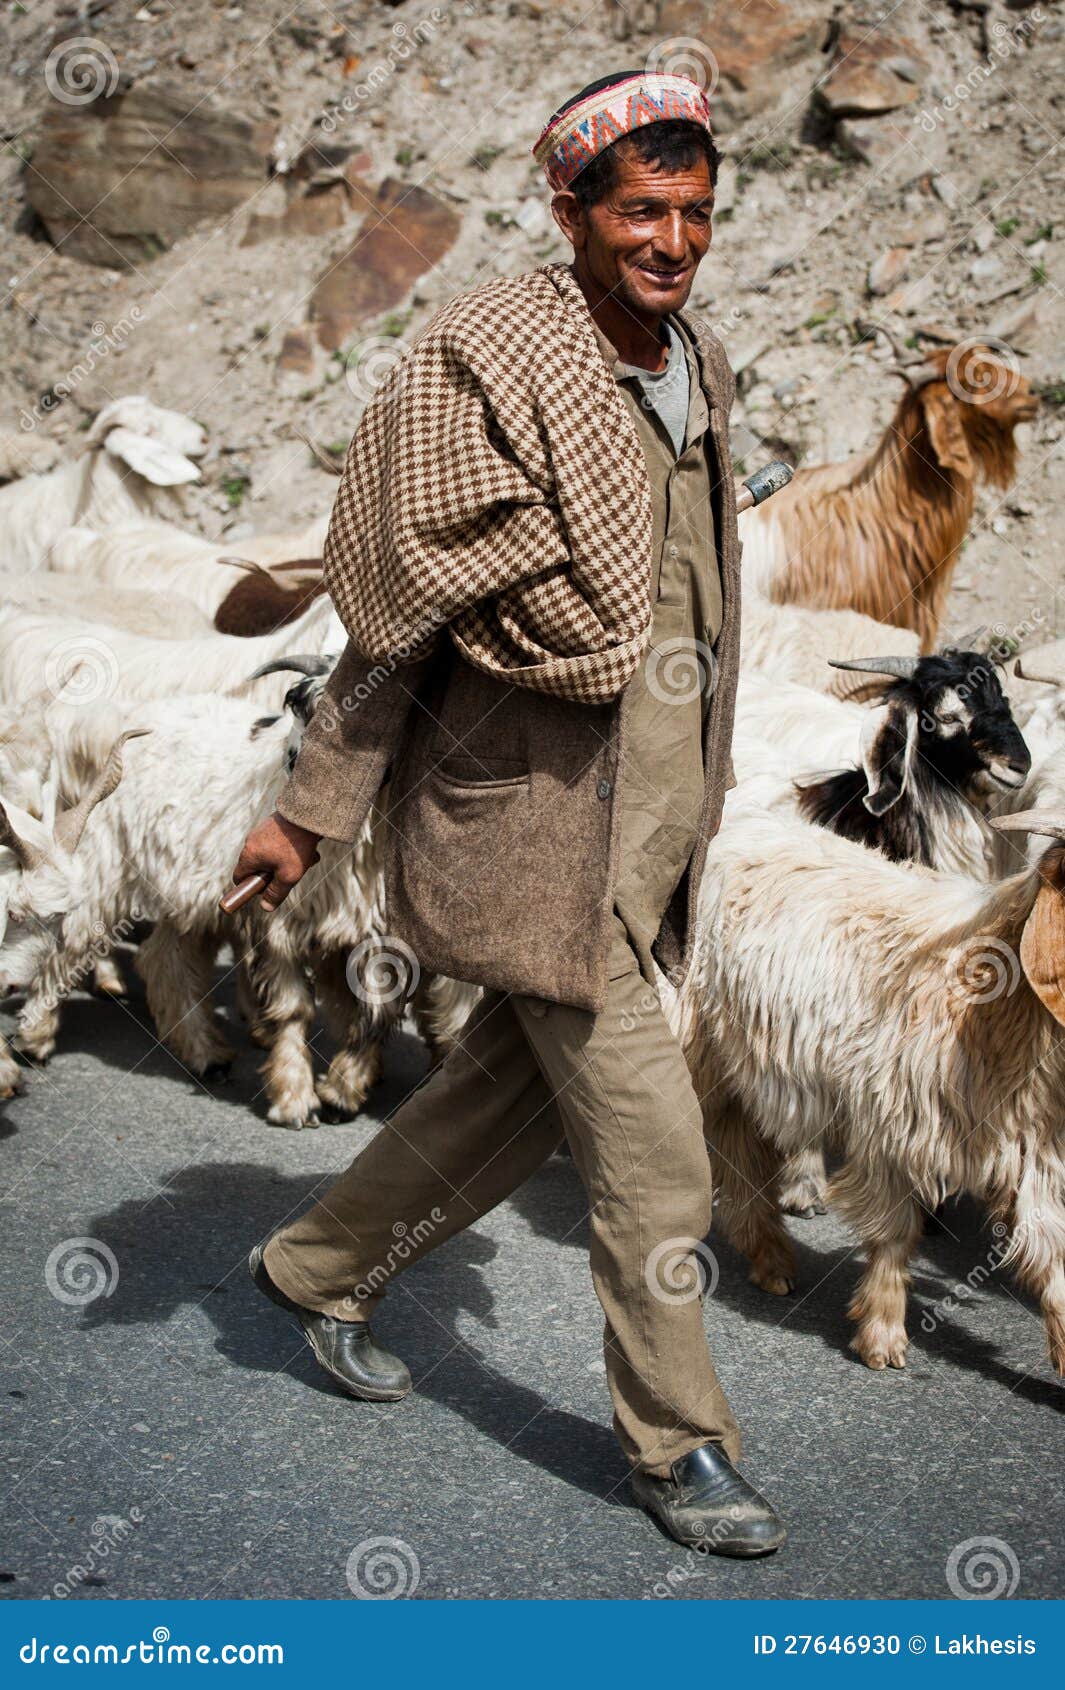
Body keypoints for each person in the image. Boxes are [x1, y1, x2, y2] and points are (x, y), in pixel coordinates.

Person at [233, 70, 784, 1557]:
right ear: (572, 212)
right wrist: (308, 813)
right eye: (639, 211)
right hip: (533, 830)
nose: (670, 239)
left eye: (692, 213)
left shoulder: (697, 362)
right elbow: (400, 618)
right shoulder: (488, 362)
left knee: (506, 1093)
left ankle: (315, 1263)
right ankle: (681, 1451)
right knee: (657, 1157)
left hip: (656, 826)